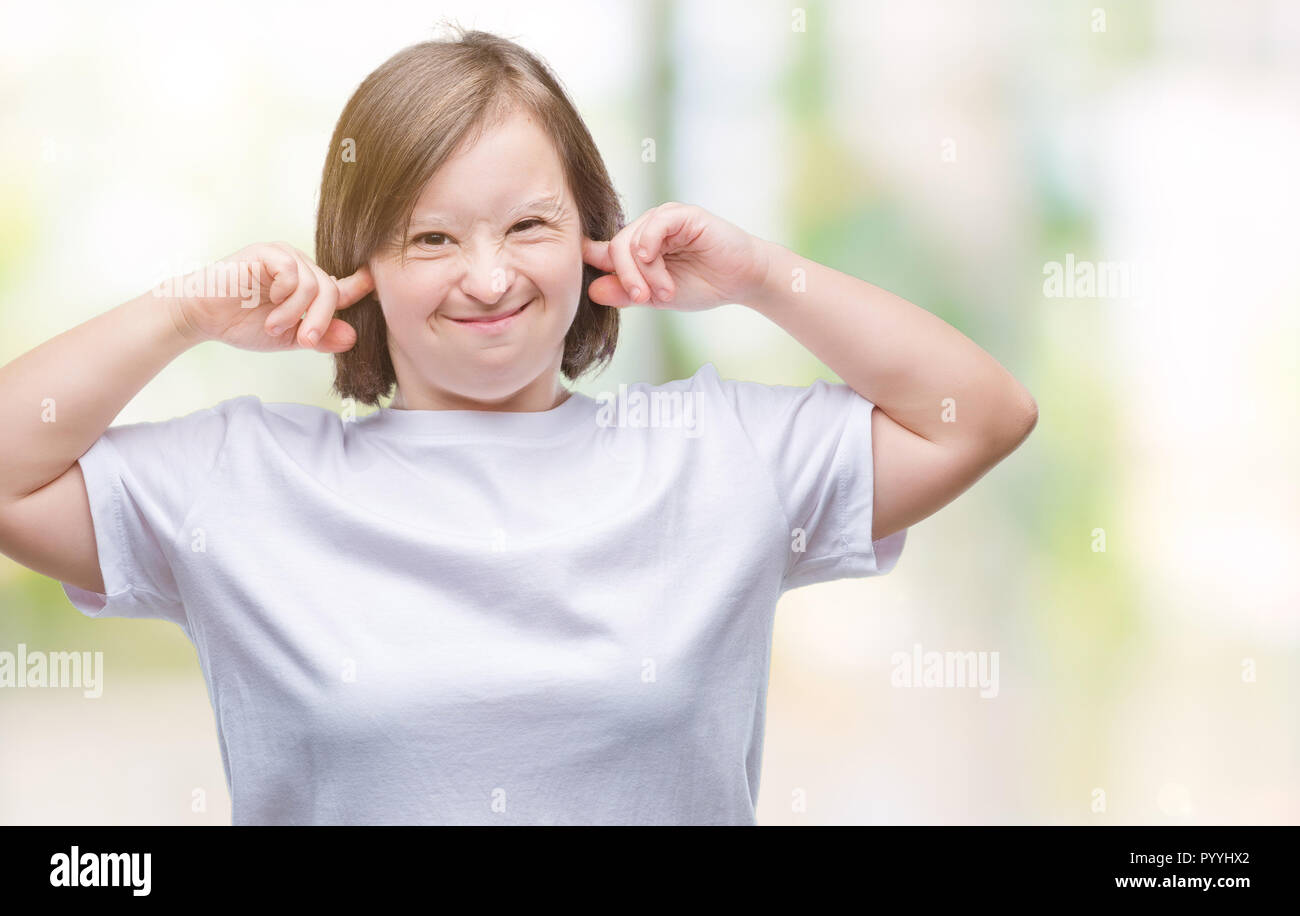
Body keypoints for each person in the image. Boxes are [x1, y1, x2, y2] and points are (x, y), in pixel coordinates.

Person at [0, 28, 1036, 825]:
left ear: (591, 234)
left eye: (529, 225)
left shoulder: (719, 456)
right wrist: (183, 313)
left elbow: (981, 414)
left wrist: (765, 277)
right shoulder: (242, 479)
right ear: (358, 266)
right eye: (432, 237)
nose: (489, 276)